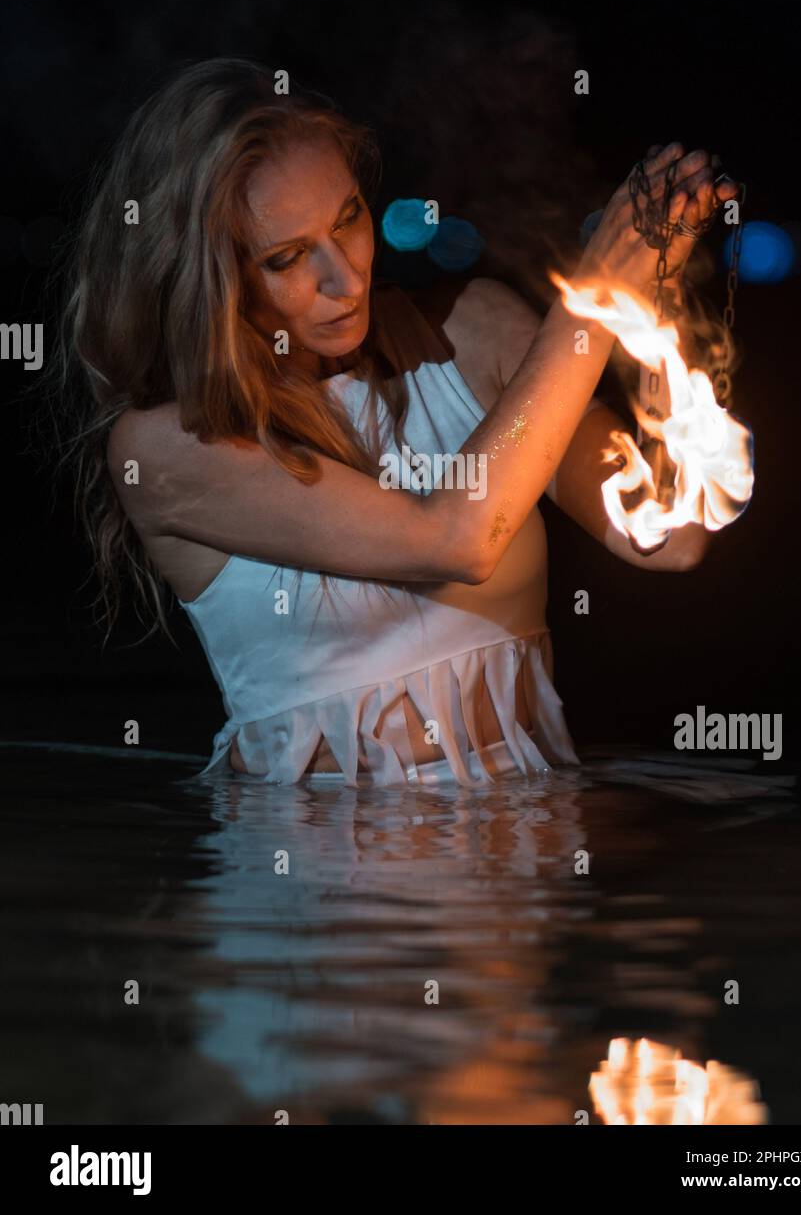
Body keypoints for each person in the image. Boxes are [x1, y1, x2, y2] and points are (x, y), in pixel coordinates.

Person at [58, 57, 736, 786]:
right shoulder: (168, 445)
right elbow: (454, 539)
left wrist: (650, 301)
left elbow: (673, 539)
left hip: (526, 846)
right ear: (205, 279)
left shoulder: (476, 333)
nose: (345, 279)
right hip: (308, 865)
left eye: (348, 218)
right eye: (287, 258)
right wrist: (590, 302)